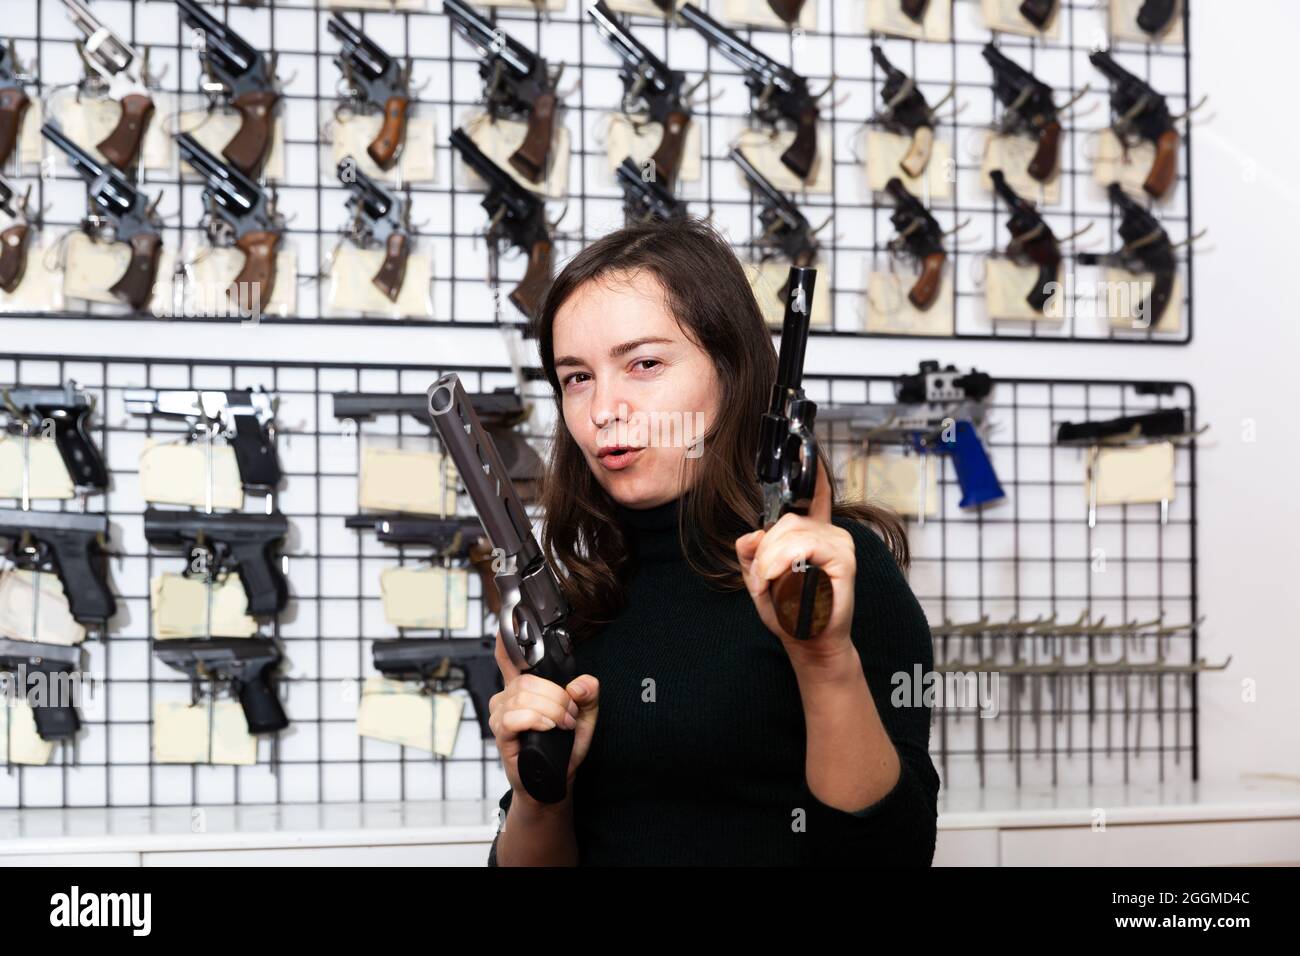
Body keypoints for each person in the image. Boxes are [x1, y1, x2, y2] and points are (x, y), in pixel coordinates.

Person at [486, 218, 940, 865]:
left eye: (643, 363)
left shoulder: (832, 575)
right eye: (576, 377)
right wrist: (539, 797)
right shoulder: (573, 603)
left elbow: (893, 858)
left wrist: (822, 658)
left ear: (731, 371)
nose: (603, 408)